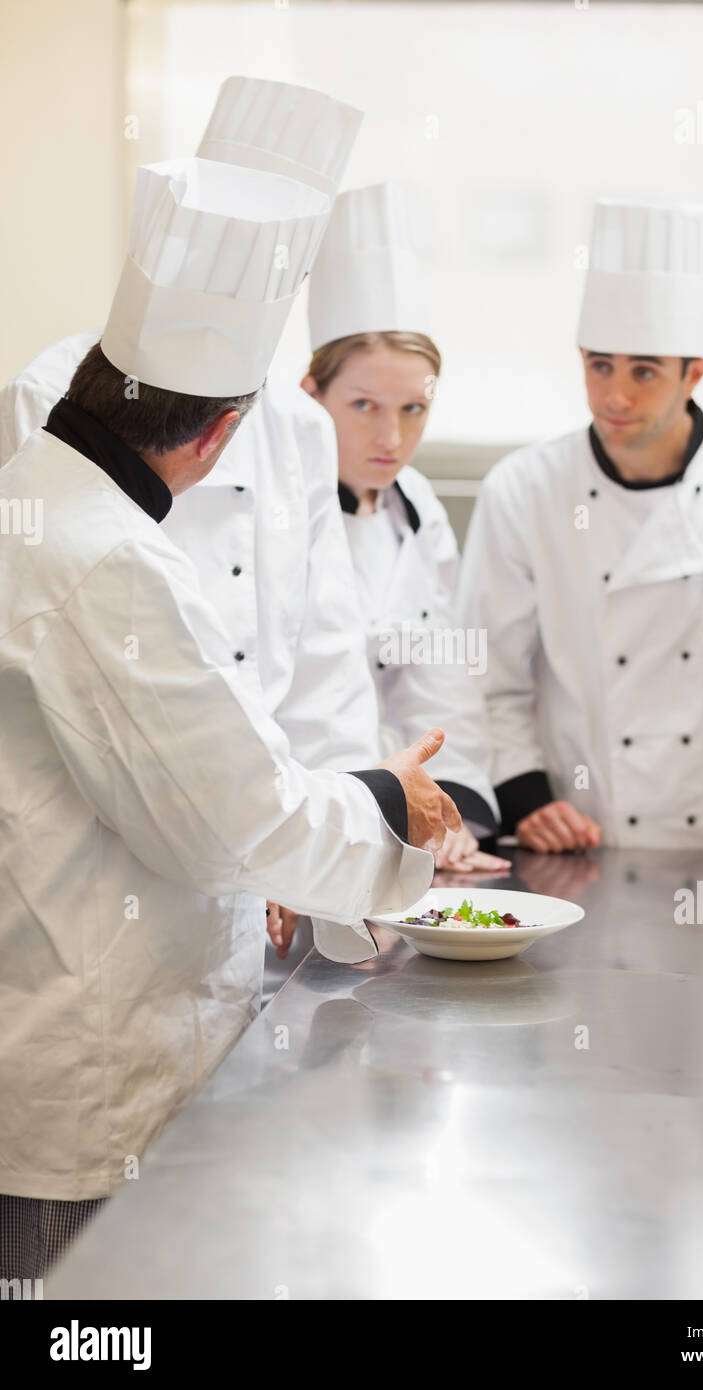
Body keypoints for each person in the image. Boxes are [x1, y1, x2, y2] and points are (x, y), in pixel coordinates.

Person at [0, 154, 459, 1278]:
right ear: (216, 436)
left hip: (84, 1025)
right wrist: (384, 803)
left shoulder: (44, 505)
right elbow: (230, 823)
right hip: (95, 1068)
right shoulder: (108, 560)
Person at [0, 77, 380, 963]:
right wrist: (282, 830)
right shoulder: (49, 400)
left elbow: (326, 666)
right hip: (116, 873)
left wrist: (326, 865)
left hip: (264, 845)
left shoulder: (302, 431)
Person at [459, 199, 703, 851]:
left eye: (644, 372)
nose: (615, 396)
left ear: (695, 374)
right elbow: (487, 671)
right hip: (579, 837)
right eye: (599, 364)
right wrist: (526, 799)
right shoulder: (524, 490)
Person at [303, 183, 509, 877]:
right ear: (313, 394)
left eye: (414, 409)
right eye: (363, 405)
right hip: (299, 837)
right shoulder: (271, 512)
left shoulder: (413, 508)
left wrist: (447, 812)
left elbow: (439, 681)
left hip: (387, 837)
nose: (392, 437)